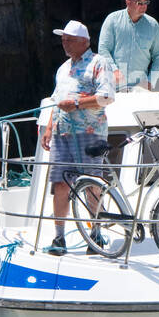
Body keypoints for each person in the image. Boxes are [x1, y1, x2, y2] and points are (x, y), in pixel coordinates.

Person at [40, 20, 116, 255]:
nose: (65, 43)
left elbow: (106, 97)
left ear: (84, 42)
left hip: (90, 133)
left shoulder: (98, 63)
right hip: (63, 134)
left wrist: (75, 103)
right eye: (63, 39)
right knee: (60, 184)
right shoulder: (63, 68)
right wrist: (49, 127)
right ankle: (59, 238)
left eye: (70, 39)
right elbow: (56, 100)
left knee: (91, 183)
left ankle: (95, 235)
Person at [98, 0, 159, 91]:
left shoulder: (153, 25)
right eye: (139, 3)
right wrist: (114, 70)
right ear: (128, 2)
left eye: (146, 2)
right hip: (113, 86)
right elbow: (103, 49)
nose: (144, 6)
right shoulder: (112, 20)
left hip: (141, 88)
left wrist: (150, 81)